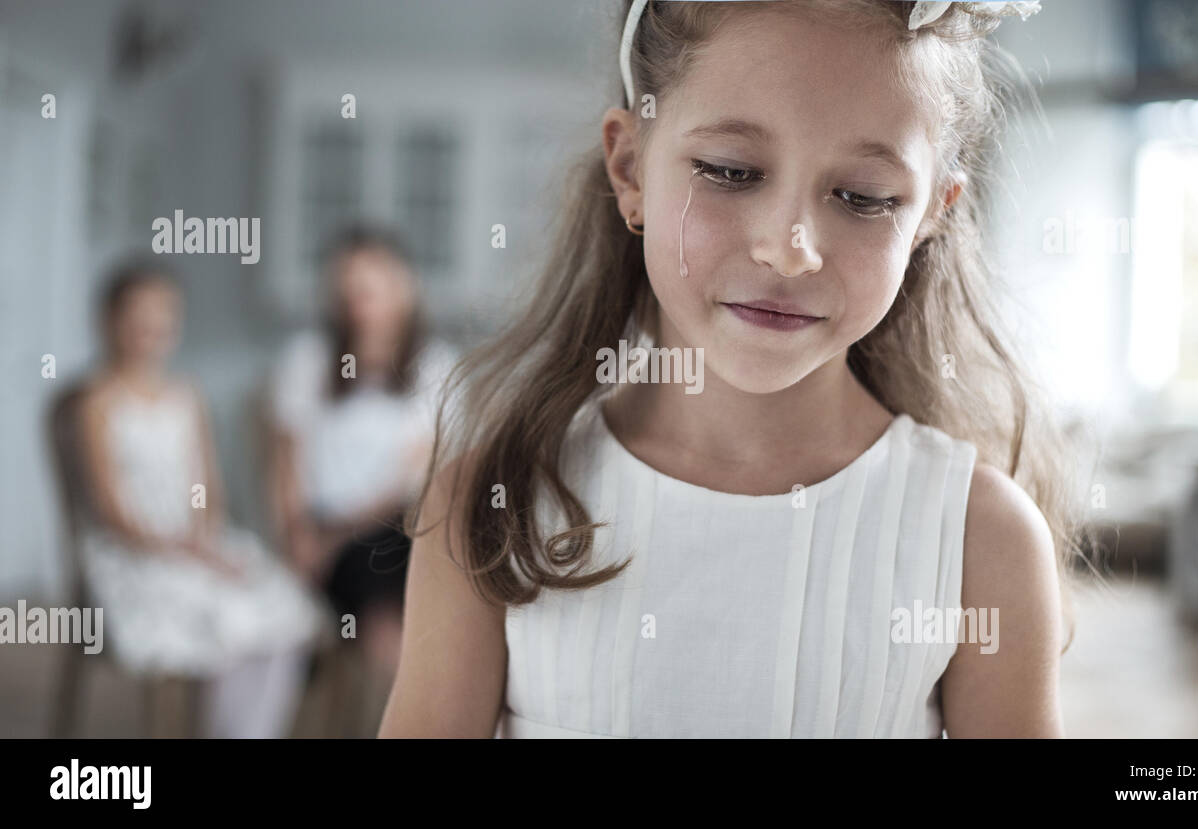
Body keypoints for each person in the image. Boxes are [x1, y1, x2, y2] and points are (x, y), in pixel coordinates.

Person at [381, 0, 1087, 739]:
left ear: (933, 213)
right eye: (730, 171)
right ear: (630, 170)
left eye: (864, 198)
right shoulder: (492, 506)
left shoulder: (984, 540)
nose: (789, 249)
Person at [78, 260, 326, 738]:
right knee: (224, 618)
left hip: (199, 542)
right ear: (111, 319)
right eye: (139, 313)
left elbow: (206, 487)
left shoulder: (187, 395)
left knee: (282, 609)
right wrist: (182, 551)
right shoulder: (96, 401)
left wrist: (205, 542)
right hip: (134, 554)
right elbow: (112, 512)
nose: (152, 325)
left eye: (163, 313)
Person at [266, 225, 459, 681]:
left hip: (399, 525)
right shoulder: (307, 361)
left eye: (371, 290)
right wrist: (299, 542)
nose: (360, 303)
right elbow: (284, 468)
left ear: (404, 291)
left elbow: (414, 476)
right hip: (327, 536)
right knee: (383, 593)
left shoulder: (435, 366)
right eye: (349, 290)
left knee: (429, 558)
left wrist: (338, 537)